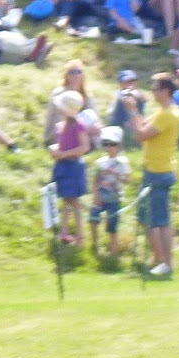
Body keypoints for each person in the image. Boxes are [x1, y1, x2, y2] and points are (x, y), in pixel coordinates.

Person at [121, 71, 179, 277]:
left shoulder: (167, 114)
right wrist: (135, 111)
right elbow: (143, 126)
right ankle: (161, 260)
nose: (153, 92)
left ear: (165, 91)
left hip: (159, 171)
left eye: (155, 88)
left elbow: (140, 135)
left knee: (157, 220)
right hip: (155, 170)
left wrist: (131, 110)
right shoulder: (165, 111)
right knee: (150, 218)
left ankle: (164, 262)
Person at [49, 90, 92, 245]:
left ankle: (80, 236)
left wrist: (63, 154)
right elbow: (64, 144)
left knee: (74, 201)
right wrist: (56, 150)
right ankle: (64, 232)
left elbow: (84, 147)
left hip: (72, 166)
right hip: (63, 165)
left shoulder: (79, 125)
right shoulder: (62, 125)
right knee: (66, 201)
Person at [89, 125, 130, 254]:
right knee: (93, 218)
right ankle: (95, 246)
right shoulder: (100, 163)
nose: (108, 147)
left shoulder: (123, 162)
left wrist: (121, 177)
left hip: (114, 198)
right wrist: (96, 197)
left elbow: (128, 180)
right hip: (101, 196)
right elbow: (96, 181)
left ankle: (113, 251)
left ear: (118, 145)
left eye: (111, 144)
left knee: (112, 225)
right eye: (105, 144)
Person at [45, 61, 96, 145]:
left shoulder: (87, 95)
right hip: (59, 134)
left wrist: (94, 127)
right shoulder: (60, 94)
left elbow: (94, 117)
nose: (76, 75)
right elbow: (60, 122)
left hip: (80, 131)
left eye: (79, 72)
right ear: (66, 76)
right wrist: (85, 129)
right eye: (72, 72)